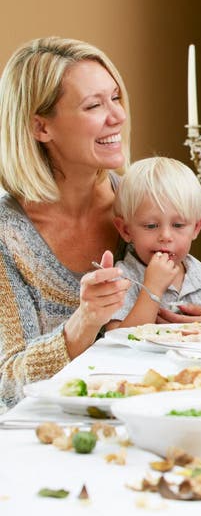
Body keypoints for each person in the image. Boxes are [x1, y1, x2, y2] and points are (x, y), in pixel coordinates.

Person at [0, 38, 132, 408]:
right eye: (94, 105)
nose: (117, 116)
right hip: (39, 431)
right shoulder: (7, 233)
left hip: (141, 418)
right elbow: (7, 383)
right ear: (41, 127)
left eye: (115, 98)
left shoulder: (141, 207)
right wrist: (85, 321)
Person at [104, 157, 201, 330]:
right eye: (151, 226)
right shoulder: (121, 280)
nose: (165, 236)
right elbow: (116, 339)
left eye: (178, 225)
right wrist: (152, 289)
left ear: (196, 228)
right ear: (126, 230)